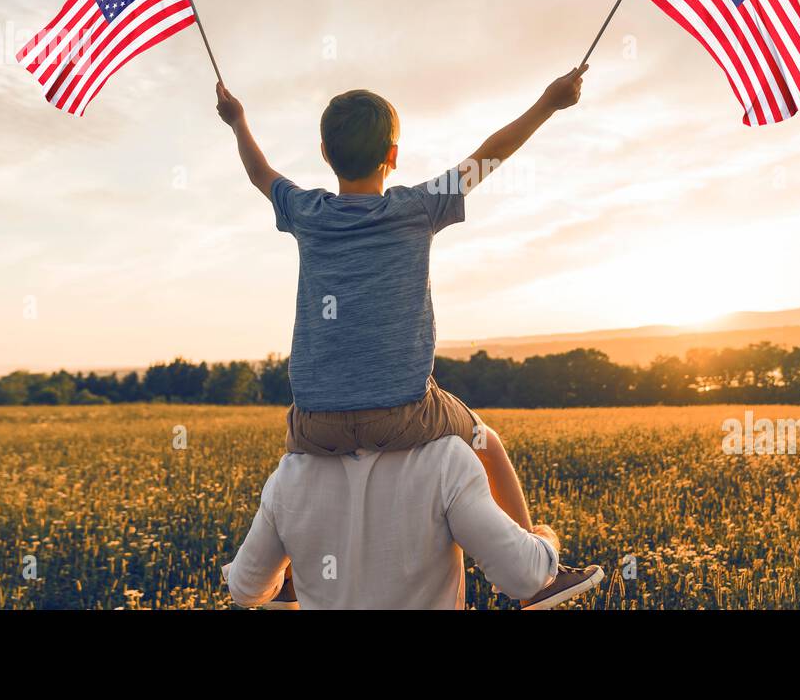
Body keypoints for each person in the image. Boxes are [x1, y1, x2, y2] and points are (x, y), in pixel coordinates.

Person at [216, 63, 601, 608]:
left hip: (313, 420)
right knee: (487, 441)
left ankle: (293, 586)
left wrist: (237, 121)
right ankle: (542, 577)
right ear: (392, 156)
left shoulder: (307, 211)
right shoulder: (417, 207)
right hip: (403, 412)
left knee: (299, 480)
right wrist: (548, 103)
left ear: (325, 153)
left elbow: (260, 173)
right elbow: (491, 153)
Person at [222, 436, 570, 610]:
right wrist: (545, 540)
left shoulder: (290, 475)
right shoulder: (445, 457)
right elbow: (525, 576)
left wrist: (286, 577)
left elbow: (245, 589)